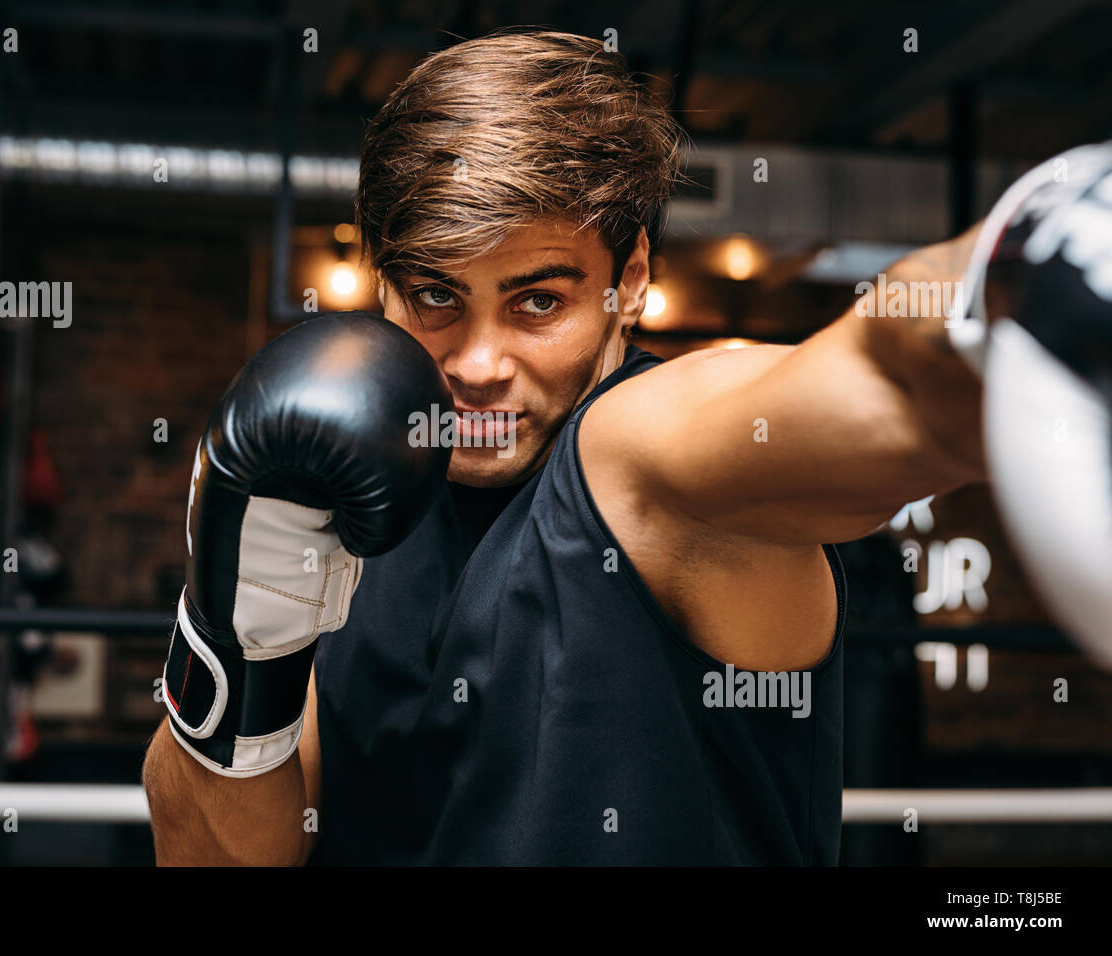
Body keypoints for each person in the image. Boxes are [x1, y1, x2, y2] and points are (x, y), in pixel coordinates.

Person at [141, 30, 1112, 865]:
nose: (476, 364)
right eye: (436, 296)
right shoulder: (346, 499)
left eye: (538, 301)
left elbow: (883, 377)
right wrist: (237, 631)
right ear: (380, 284)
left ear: (630, 278)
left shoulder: (649, 454)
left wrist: (1024, 262)